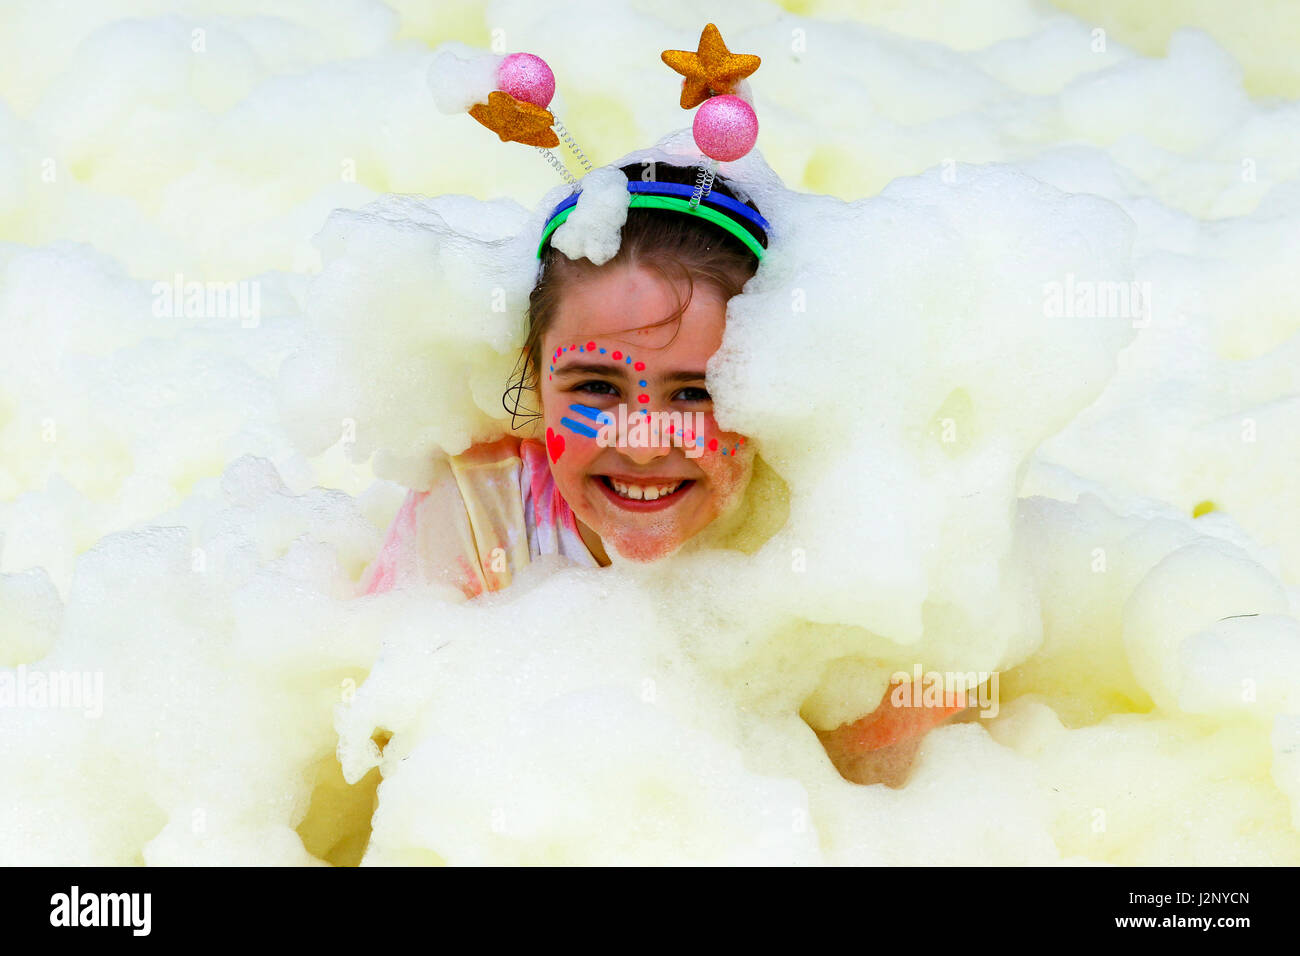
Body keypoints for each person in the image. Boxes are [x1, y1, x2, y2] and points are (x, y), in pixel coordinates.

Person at [357, 161, 967, 786]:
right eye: (596, 385)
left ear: (775, 392)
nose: (644, 442)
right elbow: (380, 751)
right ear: (533, 378)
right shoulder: (479, 508)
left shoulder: (821, 517)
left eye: (695, 393)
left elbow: (897, 786)